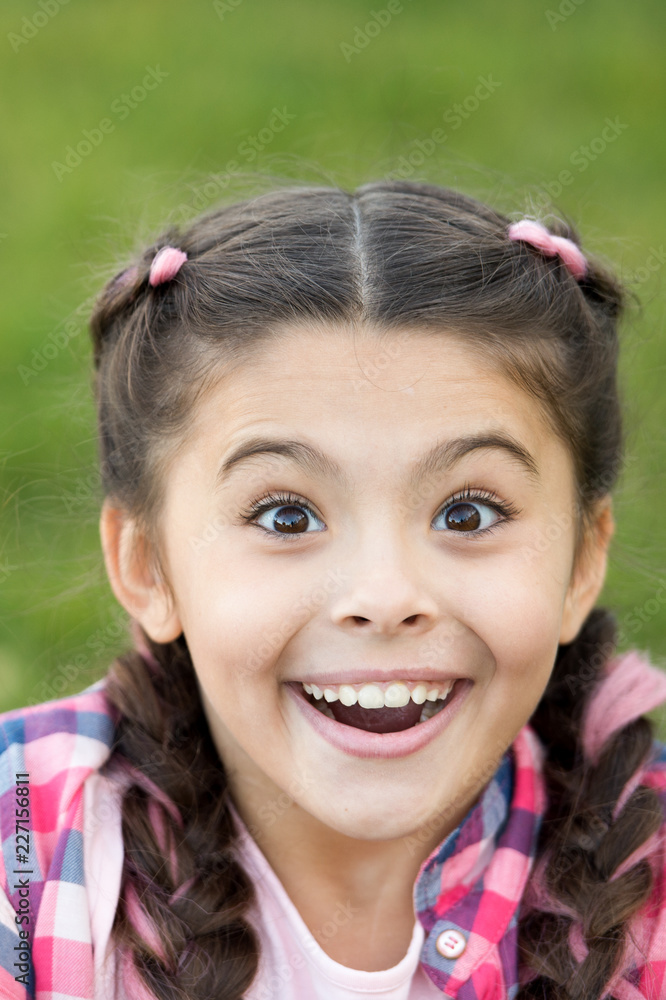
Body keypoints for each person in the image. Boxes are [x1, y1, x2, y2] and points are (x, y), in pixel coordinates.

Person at [1, 180, 666, 1000]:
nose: (385, 596)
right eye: (285, 516)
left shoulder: (647, 890)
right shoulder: (20, 846)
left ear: (580, 563)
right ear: (149, 566)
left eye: (468, 512)